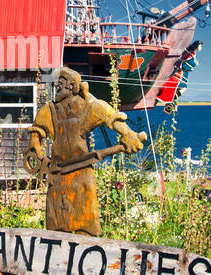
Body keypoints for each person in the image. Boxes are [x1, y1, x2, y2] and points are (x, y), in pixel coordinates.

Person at [26, 67, 144, 236]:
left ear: (73, 86)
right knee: (56, 225)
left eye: (61, 82)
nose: (57, 86)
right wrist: (35, 147)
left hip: (82, 172)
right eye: (56, 83)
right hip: (57, 173)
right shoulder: (50, 110)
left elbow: (110, 116)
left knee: (86, 224)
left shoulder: (88, 106)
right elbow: (37, 131)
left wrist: (128, 134)